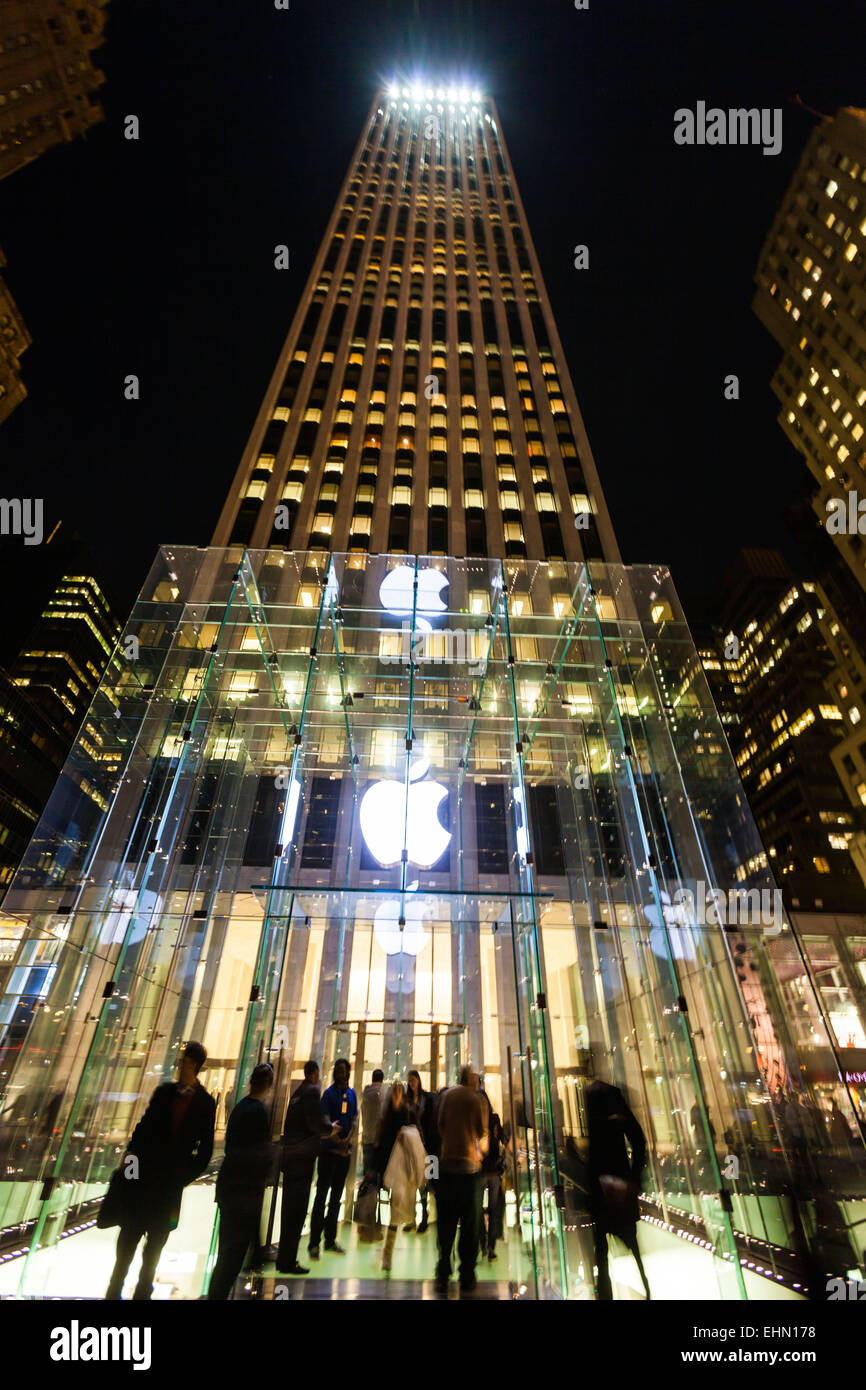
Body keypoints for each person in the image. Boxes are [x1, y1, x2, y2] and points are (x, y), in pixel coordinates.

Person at [105, 1041, 215, 1300]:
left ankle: (142, 1291)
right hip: (146, 1179)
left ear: (193, 1064)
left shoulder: (204, 1103)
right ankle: (114, 1290)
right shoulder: (165, 1092)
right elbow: (143, 1129)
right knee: (128, 1241)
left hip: (167, 1186)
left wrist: (182, 1177)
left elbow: (205, 1151)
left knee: (154, 1246)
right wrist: (131, 1159)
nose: (179, 1065)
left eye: (184, 1060)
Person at [209, 1062, 275, 1299]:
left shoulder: (240, 1107)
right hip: (243, 1192)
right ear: (268, 1085)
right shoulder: (257, 1112)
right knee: (231, 1256)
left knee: (227, 1253)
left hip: (230, 1189)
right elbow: (257, 1154)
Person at [586, 1078, 651, 1301]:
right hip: (615, 1185)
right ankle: (643, 1289)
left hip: (609, 1187)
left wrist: (632, 1179)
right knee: (625, 1246)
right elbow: (637, 1139)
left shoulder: (598, 1097)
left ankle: (610, 1293)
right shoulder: (606, 1097)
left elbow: (636, 1139)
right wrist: (633, 1178)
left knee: (605, 1250)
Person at [277, 1060, 340, 1274]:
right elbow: (315, 1123)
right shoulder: (312, 1092)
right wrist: (329, 1129)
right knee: (296, 1212)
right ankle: (288, 1261)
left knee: (289, 1212)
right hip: (302, 1159)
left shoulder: (297, 1093)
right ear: (315, 1073)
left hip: (290, 1158)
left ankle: (284, 1259)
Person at [435, 1065, 488, 1293]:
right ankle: (466, 1275)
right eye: (476, 1076)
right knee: (469, 1226)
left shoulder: (447, 1096)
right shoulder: (476, 1099)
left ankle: (443, 1272)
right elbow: (481, 1132)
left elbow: (439, 1126)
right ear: (471, 1078)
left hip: (447, 1166)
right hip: (469, 1169)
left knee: (446, 1225)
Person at [307, 1057, 357, 1259]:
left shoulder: (352, 1094)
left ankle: (329, 1240)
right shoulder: (327, 1095)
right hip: (329, 1153)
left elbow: (354, 1118)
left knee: (336, 1199)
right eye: (337, 1069)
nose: (339, 1073)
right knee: (321, 1197)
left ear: (348, 1072)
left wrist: (348, 1140)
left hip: (344, 1154)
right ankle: (313, 1243)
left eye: (342, 1070)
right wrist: (339, 1142)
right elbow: (324, 1122)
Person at [380, 1091, 426, 1273]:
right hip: (408, 1181)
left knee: (393, 1219)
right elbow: (421, 1160)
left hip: (398, 1180)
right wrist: (425, 1180)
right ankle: (387, 1256)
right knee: (399, 1216)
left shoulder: (397, 1133)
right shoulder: (413, 1134)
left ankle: (387, 1256)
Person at [478, 1094, 506, 1262]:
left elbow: (502, 1137)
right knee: (486, 1208)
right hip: (486, 1170)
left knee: (491, 1208)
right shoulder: (486, 1119)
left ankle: (489, 1245)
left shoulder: (491, 1119)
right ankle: (486, 1244)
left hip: (489, 1170)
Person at [405, 1069, 431, 1233]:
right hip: (411, 1144)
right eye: (410, 1080)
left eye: (413, 1079)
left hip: (425, 1144)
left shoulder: (425, 1098)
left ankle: (424, 1217)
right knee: (412, 1182)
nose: (411, 1083)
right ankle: (411, 1218)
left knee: (425, 1182)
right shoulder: (407, 1100)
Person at [361, 1068, 386, 1177]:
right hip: (380, 1139)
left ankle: (367, 1192)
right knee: (380, 1172)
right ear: (382, 1079)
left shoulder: (365, 1093)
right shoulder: (384, 1094)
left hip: (366, 1137)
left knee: (368, 1171)